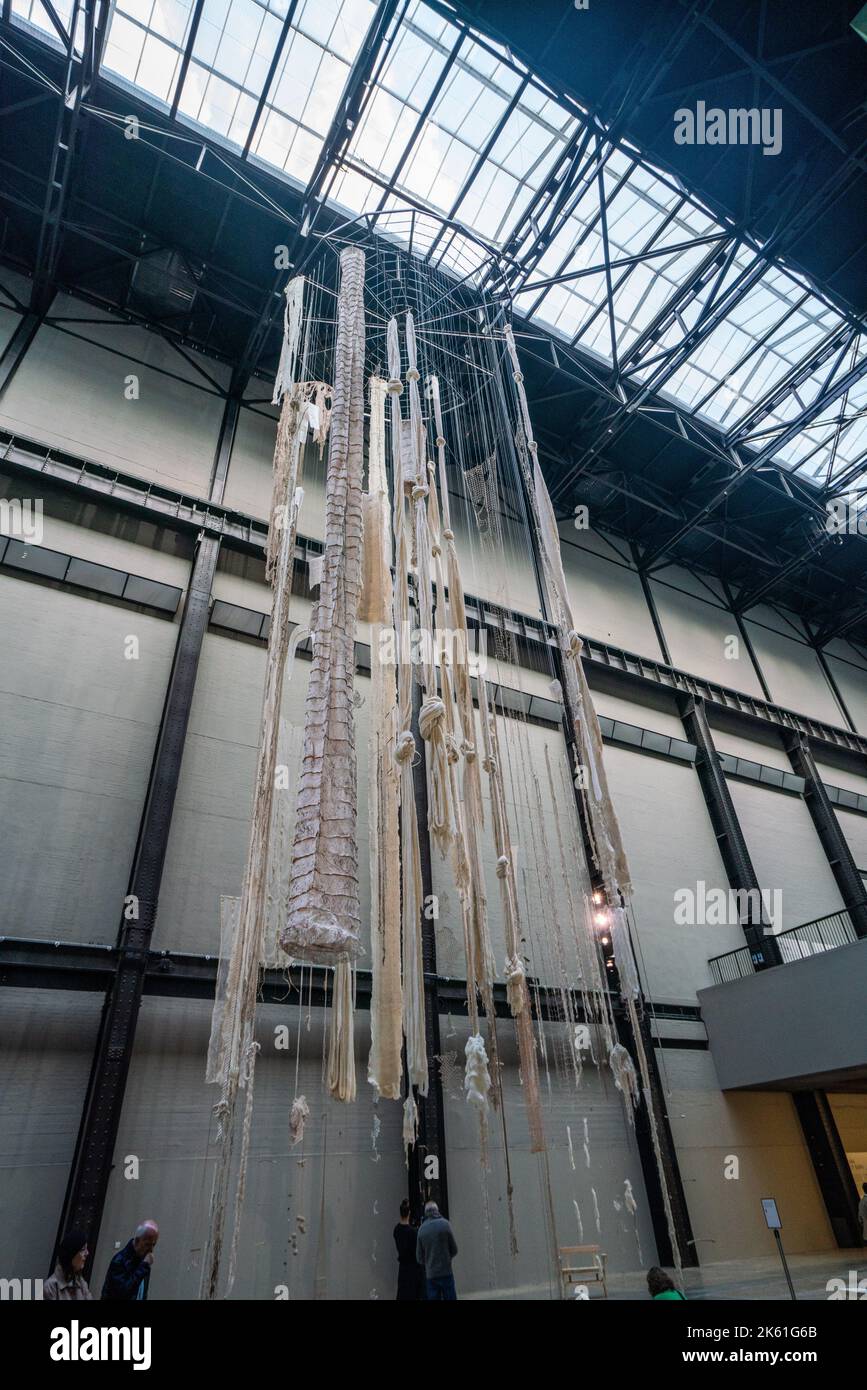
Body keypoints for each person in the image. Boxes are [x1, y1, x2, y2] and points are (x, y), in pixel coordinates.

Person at [101, 1220, 159, 1301]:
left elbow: (142, 1293)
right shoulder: (120, 1260)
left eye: (153, 1245)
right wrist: (144, 1267)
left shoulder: (144, 1263)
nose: (151, 1250)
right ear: (137, 1241)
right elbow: (122, 1293)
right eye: (147, 1244)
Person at [416, 1200, 458, 1300]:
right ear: (437, 1211)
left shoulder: (421, 1230)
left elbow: (419, 1258)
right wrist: (447, 1258)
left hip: (431, 1275)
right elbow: (454, 1249)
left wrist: (428, 1263)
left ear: (425, 1213)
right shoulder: (445, 1225)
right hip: (446, 1271)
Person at [44, 1230, 94, 1301]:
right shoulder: (51, 1286)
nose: (87, 1253)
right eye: (83, 1249)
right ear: (71, 1255)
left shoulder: (81, 1282)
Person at [393, 1199, 424, 1301]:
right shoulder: (413, 1232)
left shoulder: (396, 1230)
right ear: (409, 1213)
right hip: (413, 1268)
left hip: (403, 1267)